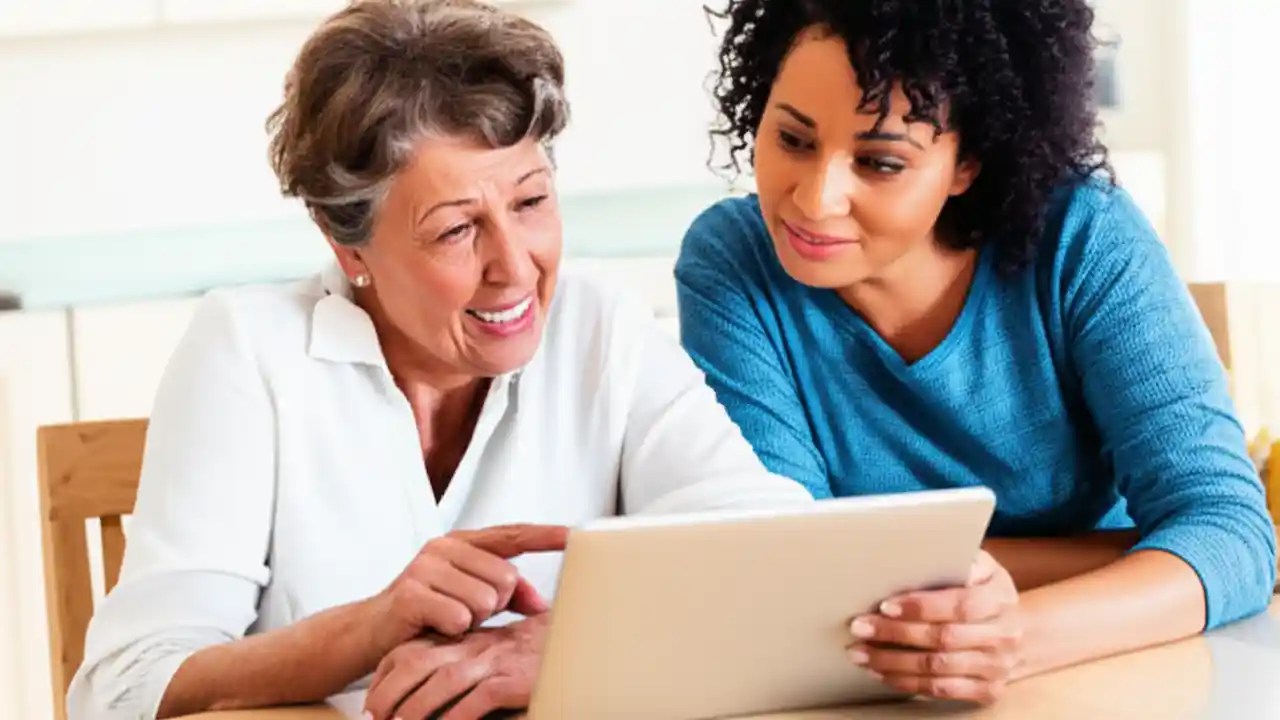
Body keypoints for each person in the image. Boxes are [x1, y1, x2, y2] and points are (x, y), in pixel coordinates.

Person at [67, 2, 1021, 719]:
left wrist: (560, 652)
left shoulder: (599, 325)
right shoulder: (250, 351)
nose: (515, 266)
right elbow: (121, 688)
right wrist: (371, 624)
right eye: (454, 230)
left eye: (530, 202)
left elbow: (768, 555)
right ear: (345, 242)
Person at [676, 0, 1279, 703]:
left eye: (879, 162)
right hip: (875, 687)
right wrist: (1125, 552)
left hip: (1120, 674)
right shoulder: (733, 263)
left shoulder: (1083, 240)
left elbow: (1233, 537)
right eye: (793, 139)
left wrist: (1015, 632)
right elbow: (793, 565)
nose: (815, 199)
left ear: (968, 162)